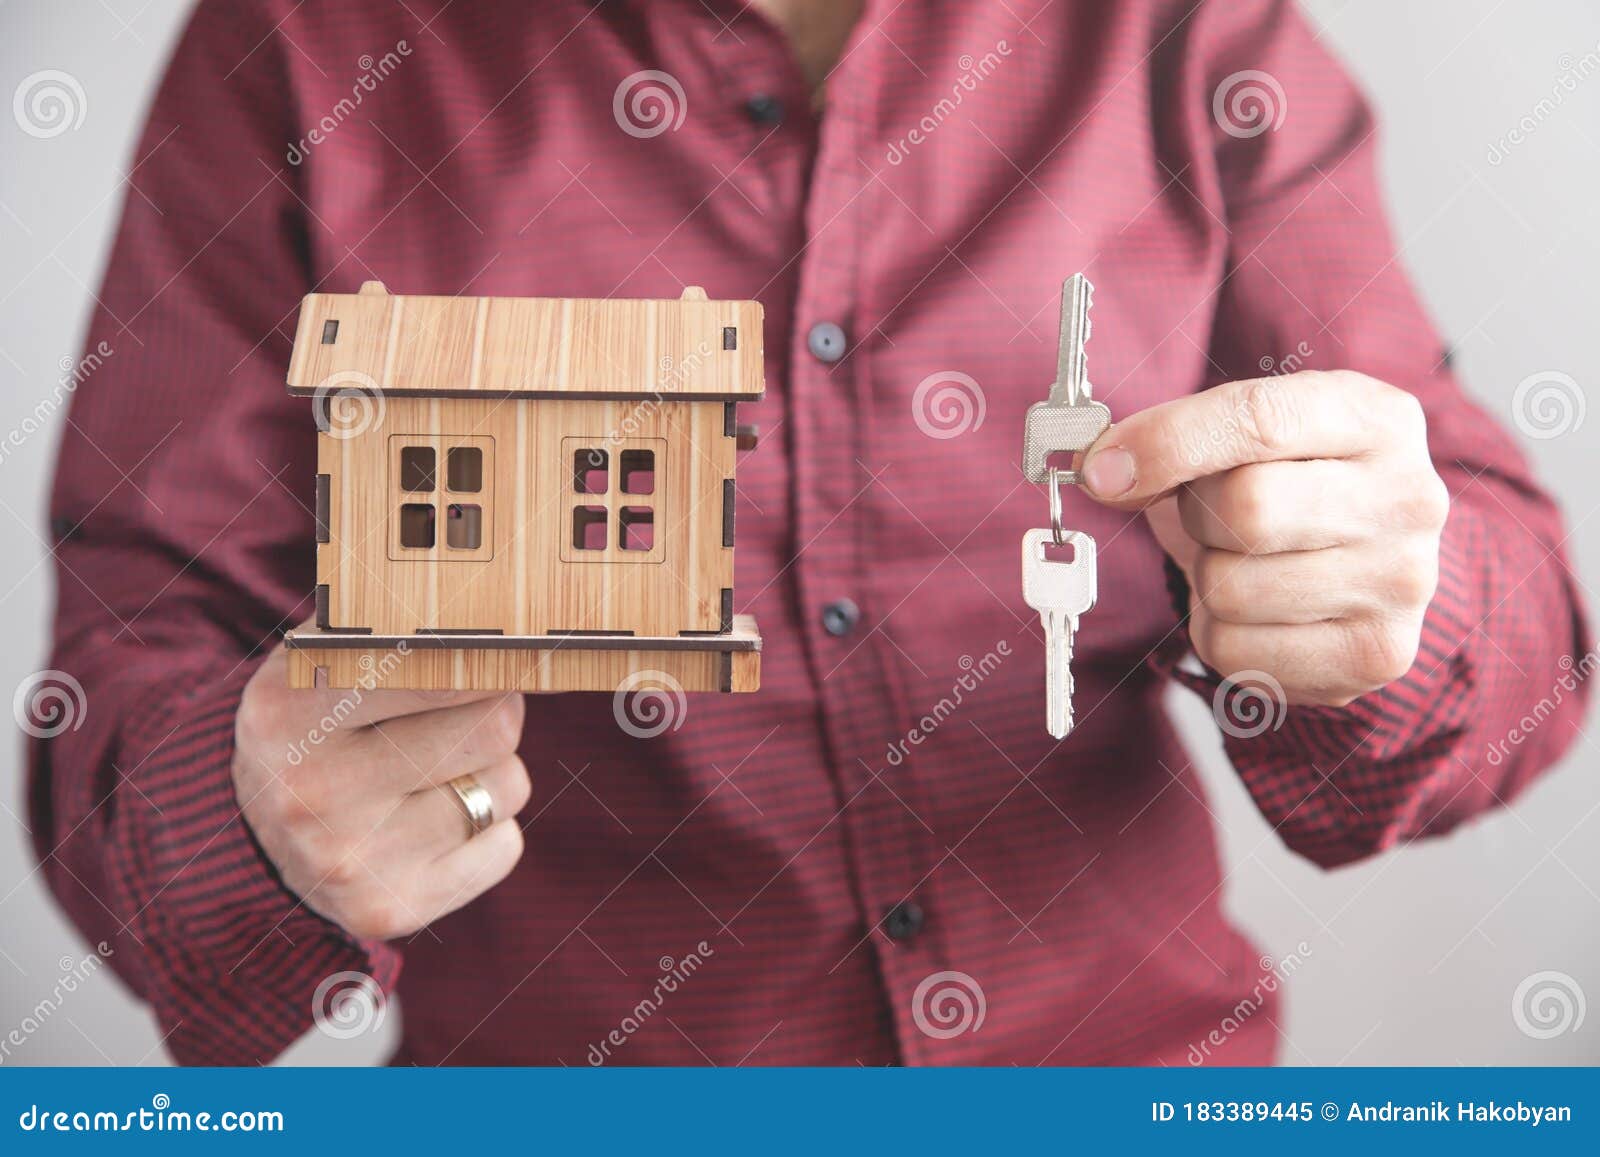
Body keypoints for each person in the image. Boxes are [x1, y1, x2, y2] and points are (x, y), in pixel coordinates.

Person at [30, 0, 1588, 1066]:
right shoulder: (301, 43)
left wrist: (1397, 596)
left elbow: (1525, 627)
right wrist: (257, 814)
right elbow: (122, 666)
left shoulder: (1193, 32)